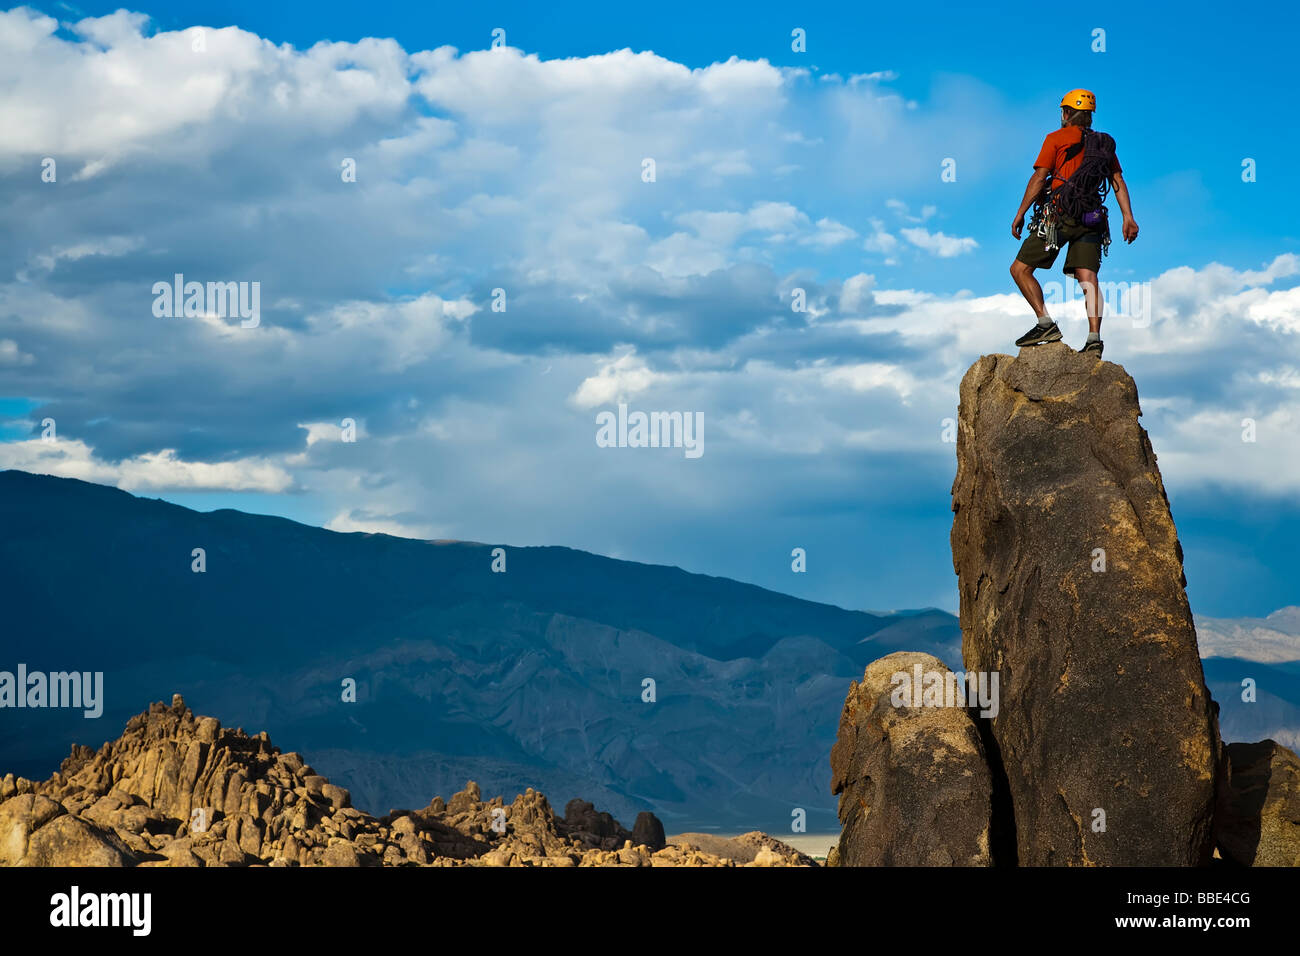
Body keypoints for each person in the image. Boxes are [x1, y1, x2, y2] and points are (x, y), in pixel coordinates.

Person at [1009, 89, 1138, 358]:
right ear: (1089, 116)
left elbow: (1038, 180)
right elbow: (1117, 182)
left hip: (1060, 215)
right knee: (1088, 278)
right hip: (1093, 218)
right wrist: (1128, 216)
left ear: (1067, 113)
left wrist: (1021, 212)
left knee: (1020, 269)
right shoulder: (1103, 144)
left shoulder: (1055, 139)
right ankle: (1094, 340)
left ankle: (1045, 323)